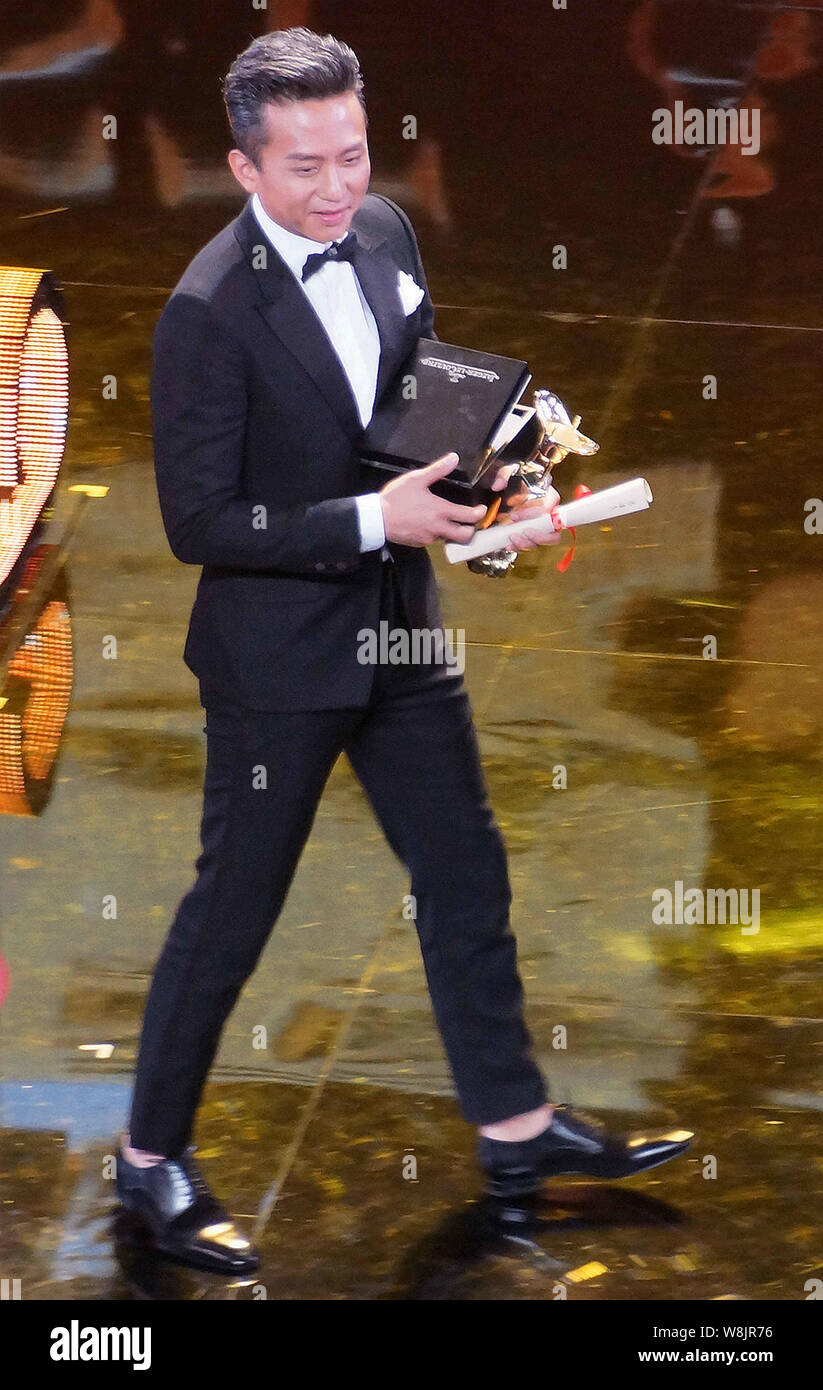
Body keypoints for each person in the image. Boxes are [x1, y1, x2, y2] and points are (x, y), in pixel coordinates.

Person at [115, 27, 693, 1275]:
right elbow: (197, 522)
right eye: (306, 166)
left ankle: (517, 1128)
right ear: (242, 167)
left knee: (465, 876)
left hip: (401, 630)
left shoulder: (384, 233)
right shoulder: (205, 315)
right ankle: (150, 1160)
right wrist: (381, 518)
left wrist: (493, 494)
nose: (337, 188)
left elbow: (402, 415)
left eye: (355, 155)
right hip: (275, 664)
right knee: (233, 916)